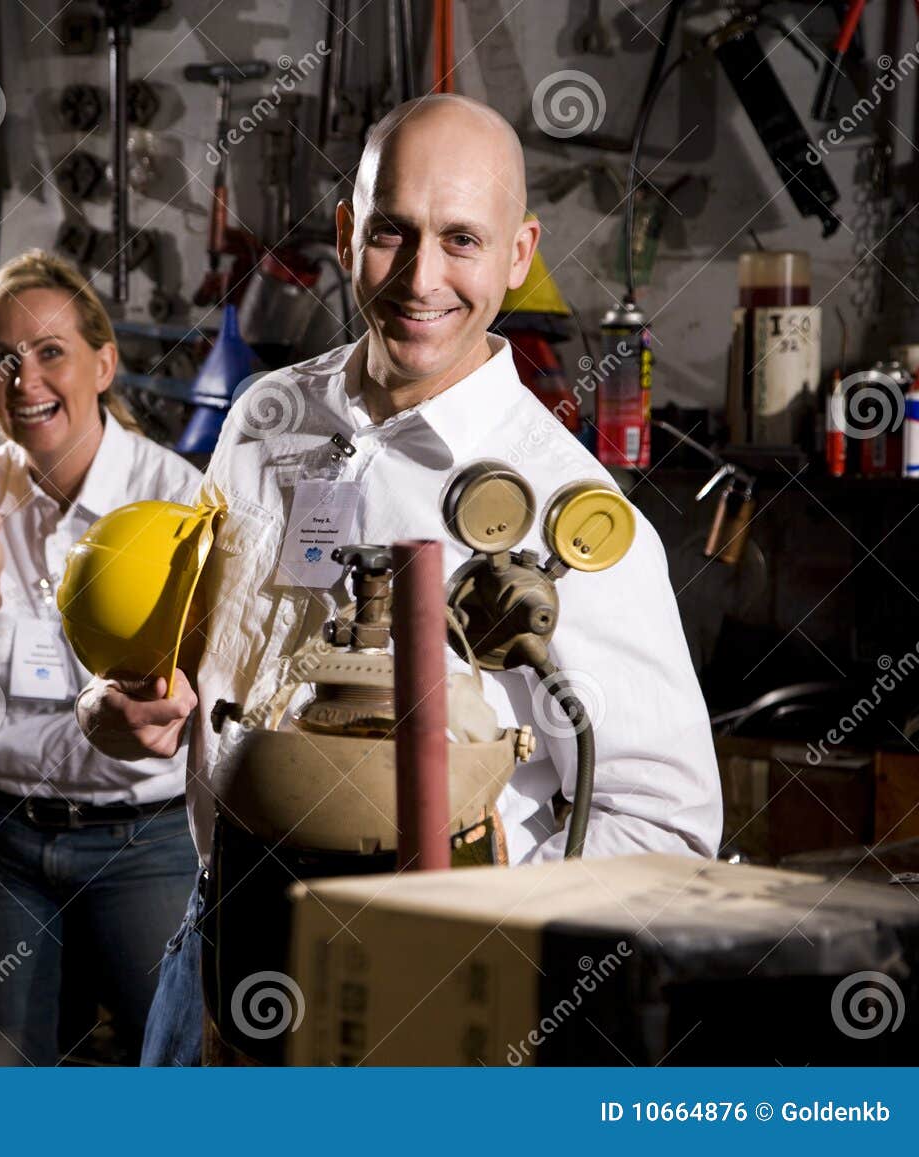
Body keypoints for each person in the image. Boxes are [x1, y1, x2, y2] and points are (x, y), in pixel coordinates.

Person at [76, 95, 724, 1065]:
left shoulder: (565, 510)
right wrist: (117, 707)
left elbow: (669, 826)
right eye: (392, 233)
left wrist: (477, 886)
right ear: (347, 233)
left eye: (462, 239)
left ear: (518, 252)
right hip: (211, 953)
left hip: (418, 994)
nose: (423, 278)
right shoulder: (263, 420)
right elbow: (178, 671)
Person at [0, 250, 202, 1065]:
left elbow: (202, 709)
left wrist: (61, 734)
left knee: (174, 1075)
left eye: (50, 352)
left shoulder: (180, 504)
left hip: (146, 841)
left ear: (103, 363)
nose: (25, 379)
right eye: (1, 359)